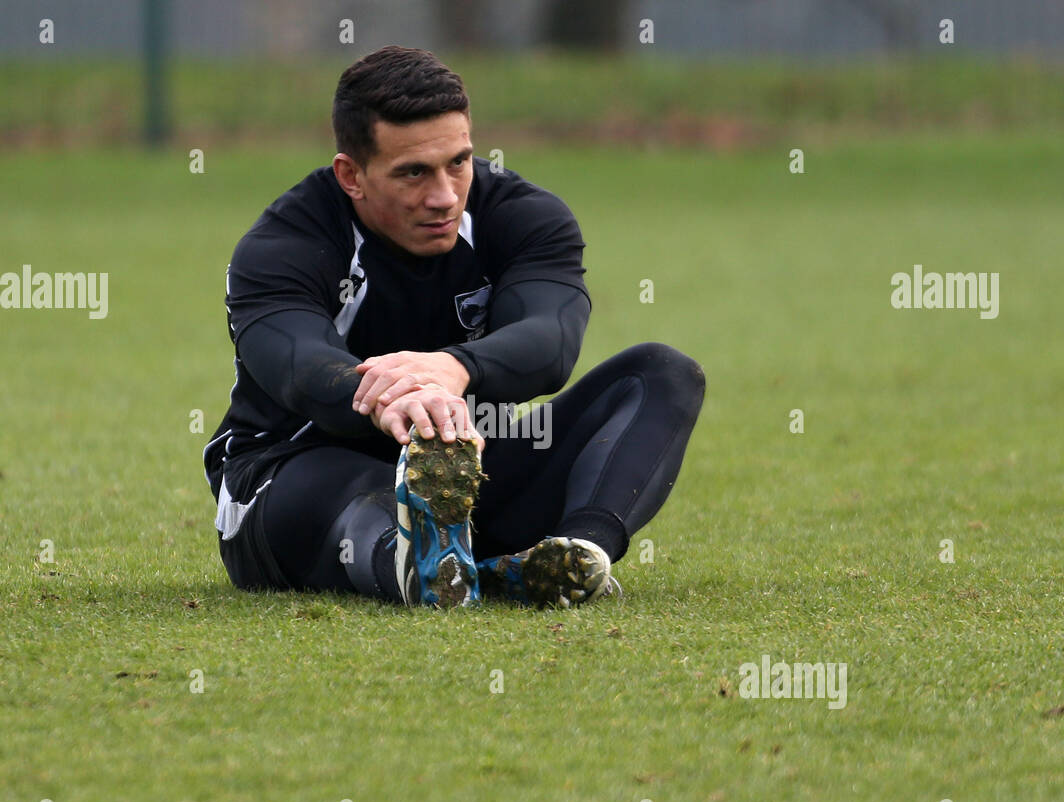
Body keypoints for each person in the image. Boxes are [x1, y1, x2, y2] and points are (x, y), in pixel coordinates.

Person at [203, 45, 704, 608]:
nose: (442, 197)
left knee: (662, 373)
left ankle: (572, 556)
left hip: (469, 473)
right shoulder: (283, 245)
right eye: (413, 173)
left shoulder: (523, 217)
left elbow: (551, 343)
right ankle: (419, 568)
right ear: (351, 175)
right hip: (295, 481)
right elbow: (296, 364)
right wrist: (385, 397)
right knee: (354, 489)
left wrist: (455, 367)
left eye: (458, 163)